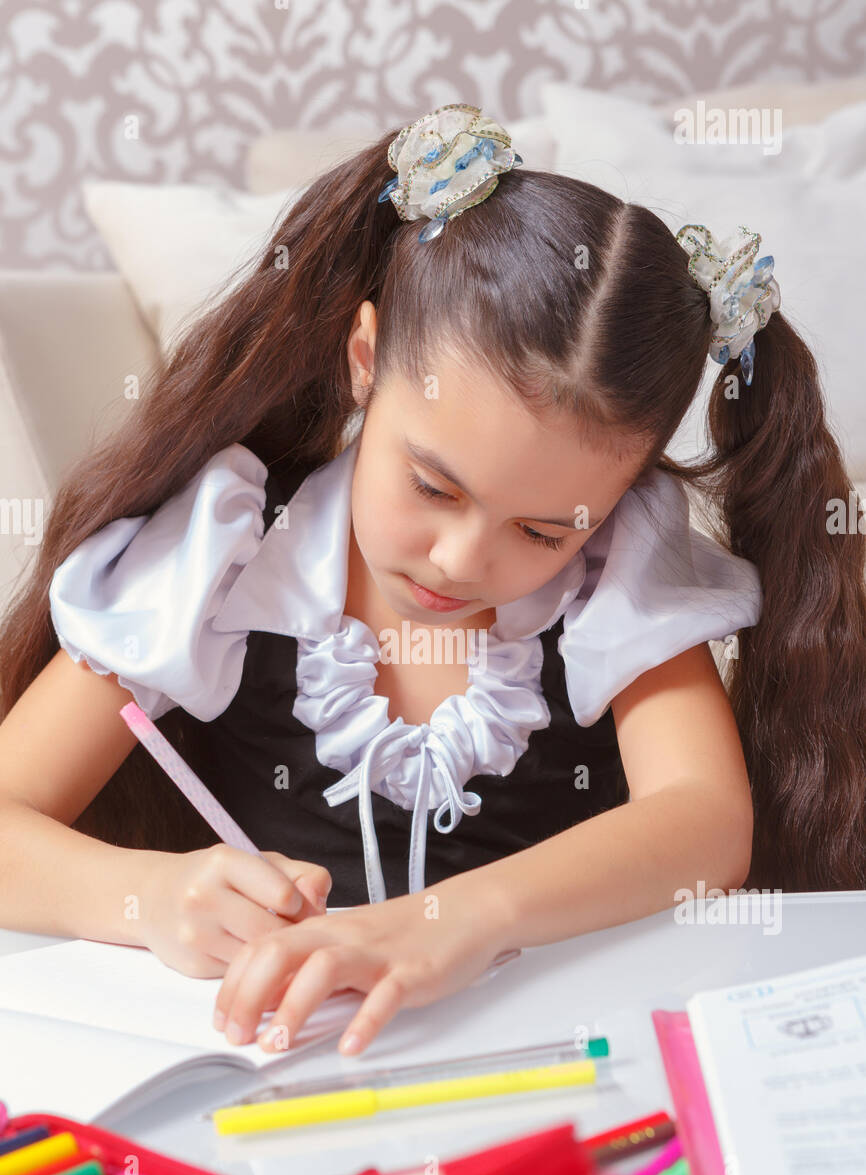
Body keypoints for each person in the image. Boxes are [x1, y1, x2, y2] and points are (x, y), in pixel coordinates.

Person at [1, 104, 864, 1058]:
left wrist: (458, 920)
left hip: (551, 1064)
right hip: (274, 1071)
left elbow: (704, 823)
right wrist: (153, 898)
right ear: (366, 360)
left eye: (542, 529)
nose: (460, 560)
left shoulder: (615, 570)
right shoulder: (228, 555)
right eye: (431, 485)